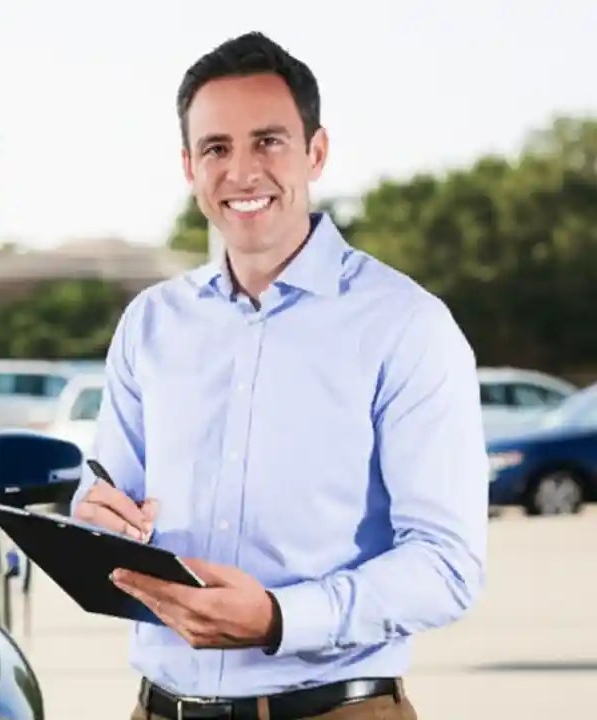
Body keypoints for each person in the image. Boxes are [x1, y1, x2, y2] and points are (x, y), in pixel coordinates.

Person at [70, 31, 488, 720]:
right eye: (216, 148)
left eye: (268, 141)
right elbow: (108, 493)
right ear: (188, 166)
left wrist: (278, 617)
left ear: (315, 152)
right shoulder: (152, 324)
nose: (242, 171)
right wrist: (94, 518)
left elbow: (447, 566)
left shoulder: (405, 325)